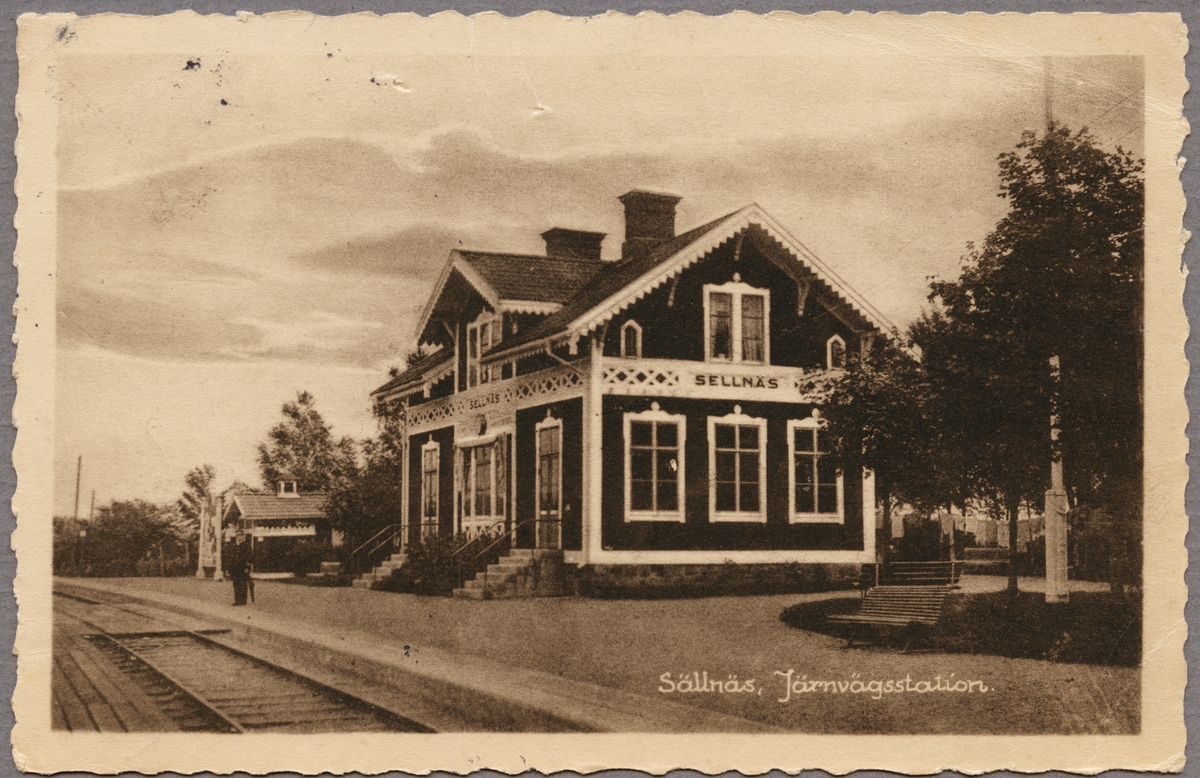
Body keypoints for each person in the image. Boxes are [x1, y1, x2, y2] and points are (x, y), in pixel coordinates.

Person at [225, 529, 253, 606]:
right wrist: (229, 568)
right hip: (235, 569)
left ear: (243, 536)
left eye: (241, 535)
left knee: (243, 584)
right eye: (237, 535)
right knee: (236, 584)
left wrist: (247, 567)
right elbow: (230, 558)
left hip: (243, 568)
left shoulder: (246, 546)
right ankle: (237, 600)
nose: (239, 537)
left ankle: (243, 601)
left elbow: (250, 557)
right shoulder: (234, 546)